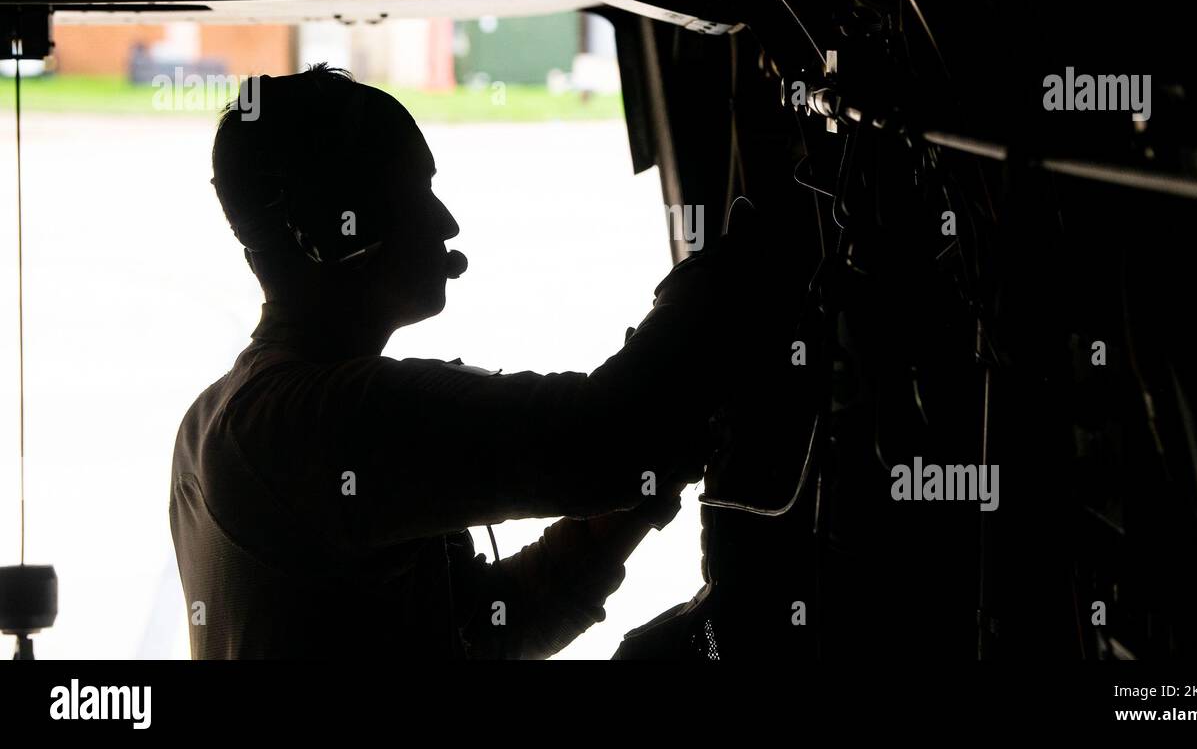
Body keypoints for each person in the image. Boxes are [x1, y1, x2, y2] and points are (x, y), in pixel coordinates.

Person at [169, 64, 759, 658]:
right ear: (334, 229)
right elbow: (607, 435)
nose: (446, 222)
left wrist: (635, 493)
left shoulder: (217, 422)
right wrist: (744, 267)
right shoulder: (315, 421)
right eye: (415, 191)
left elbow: (482, 629)